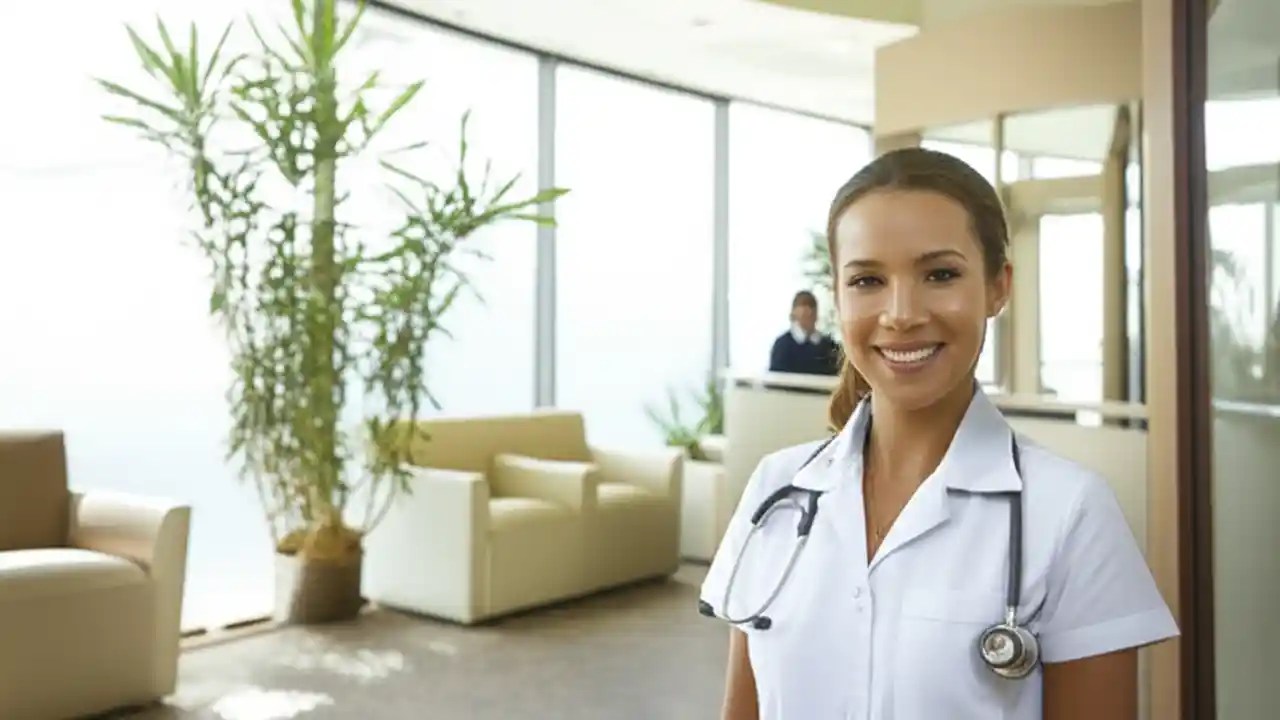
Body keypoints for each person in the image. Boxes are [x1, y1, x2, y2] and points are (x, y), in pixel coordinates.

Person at [698, 148, 1178, 719]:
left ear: (998, 286)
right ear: (838, 296)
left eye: (940, 274)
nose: (901, 313)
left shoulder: (1071, 512)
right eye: (868, 280)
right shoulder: (775, 491)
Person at [768, 290, 839, 375]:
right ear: (794, 313)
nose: (809, 312)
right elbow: (776, 377)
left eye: (812, 307)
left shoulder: (829, 346)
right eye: (804, 307)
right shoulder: (782, 345)